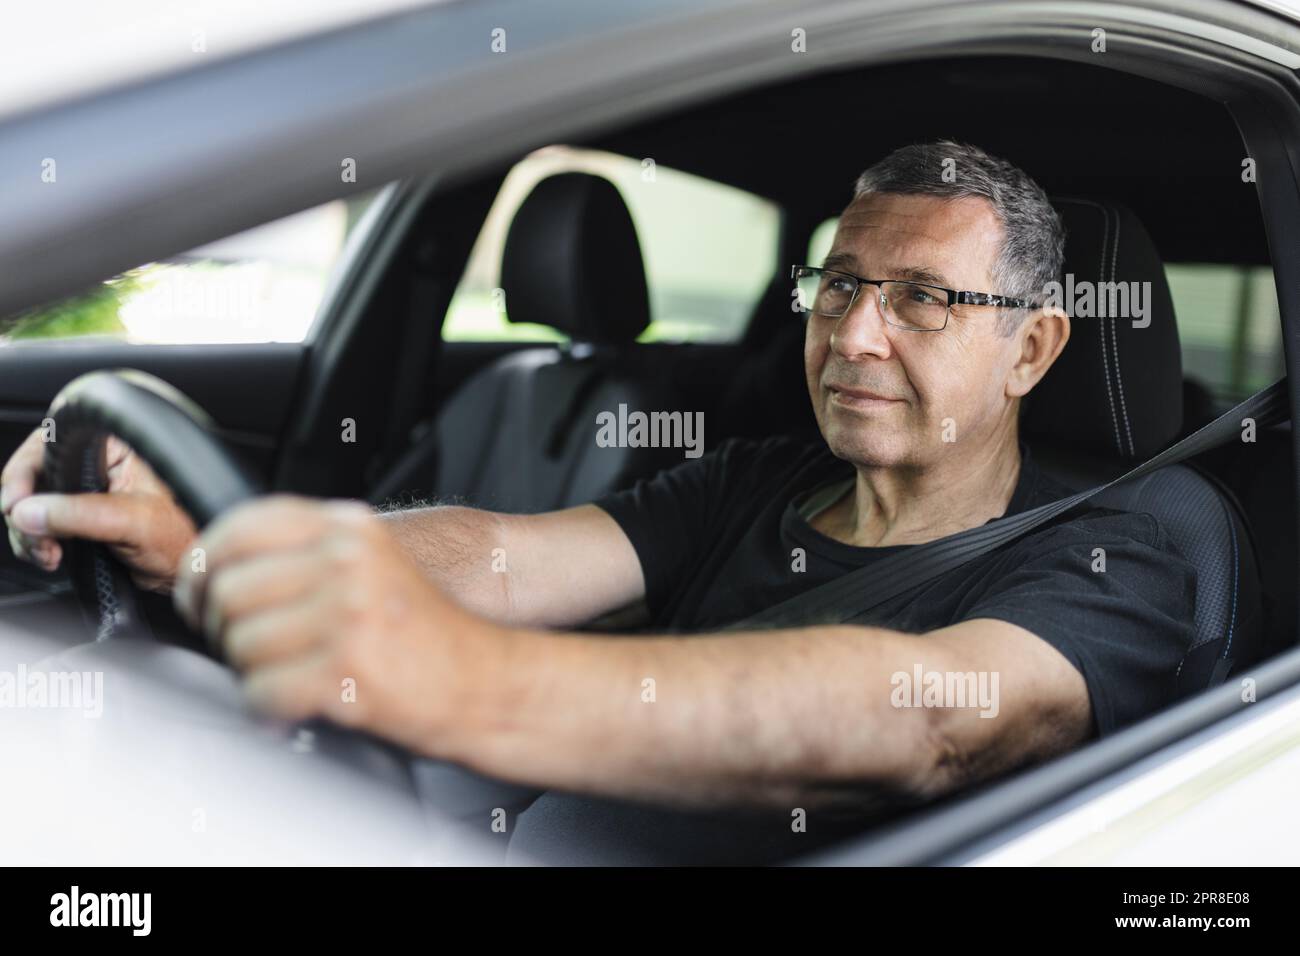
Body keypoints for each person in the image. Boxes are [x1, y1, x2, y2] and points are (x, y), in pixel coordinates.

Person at [1, 142, 1194, 814]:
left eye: (923, 299)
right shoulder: (763, 477)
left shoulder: (1131, 541)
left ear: (1031, 348)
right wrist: (226, 536)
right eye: (836, 288)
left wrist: (457, 679)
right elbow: (508, 560)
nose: (854, 337)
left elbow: (932, 714)